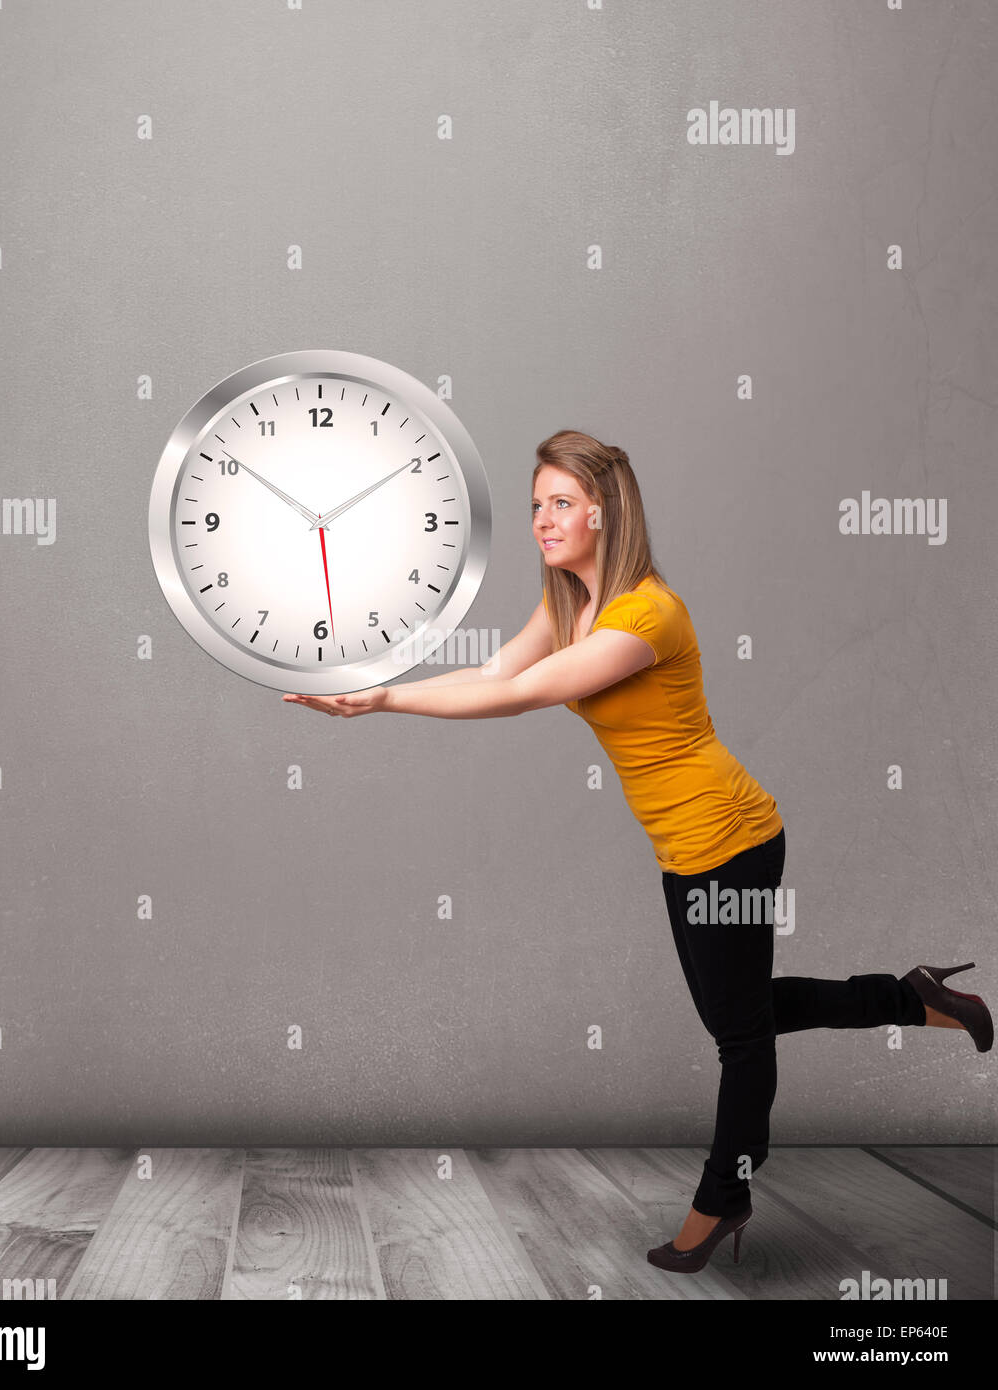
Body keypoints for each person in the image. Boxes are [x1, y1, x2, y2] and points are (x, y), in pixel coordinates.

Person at [284, 428, 993, 1274]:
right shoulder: (567, 603)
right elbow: (491, 671)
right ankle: (909, 998)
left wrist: (387, 701)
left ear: (604, 511)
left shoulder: (645, 614)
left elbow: (519, 696)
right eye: (536, 505)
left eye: (560, 504)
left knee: (740, 1038)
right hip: (681, 847)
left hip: (731, 837)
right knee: (742, 1012)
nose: (542, 520)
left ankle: (723, 1196)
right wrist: (377, 690)